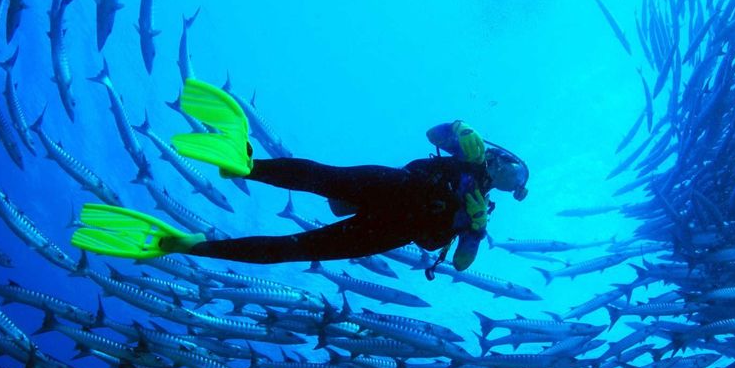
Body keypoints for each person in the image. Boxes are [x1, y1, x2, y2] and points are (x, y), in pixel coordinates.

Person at [71, 80, 528, 275]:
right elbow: (432, 134)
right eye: (509, 167)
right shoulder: (470, 151)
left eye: (513, 182)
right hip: (399, 186)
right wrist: (459, 129)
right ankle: (244, 165)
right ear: (503, 156)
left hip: (392, 230)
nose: (505, 176)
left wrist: (476, 228)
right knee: (322, 177)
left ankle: (191, 246)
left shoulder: (481, 212)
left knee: (296, 249)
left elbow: (459, 265)